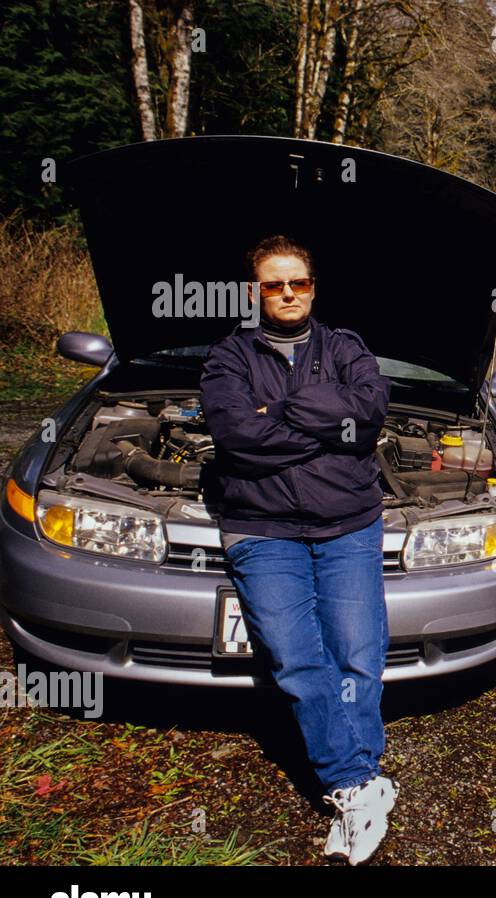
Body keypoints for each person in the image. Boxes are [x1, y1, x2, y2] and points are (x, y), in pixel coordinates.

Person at [199, 235, 398, 865]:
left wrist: (279, 410)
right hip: (262, 530)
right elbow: (237, 436)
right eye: (273, 284)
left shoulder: (346, 347)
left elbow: (371, 412)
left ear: (314, 286)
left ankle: (354, 781)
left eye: (299, 282)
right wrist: (328, 431)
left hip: (348, 525)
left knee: (358, 654)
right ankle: (356, 783)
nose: (288, 293)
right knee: (293, 657)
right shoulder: (227, 356)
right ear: (253, 291)